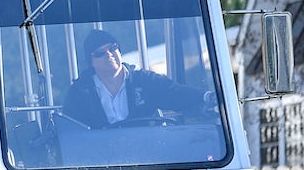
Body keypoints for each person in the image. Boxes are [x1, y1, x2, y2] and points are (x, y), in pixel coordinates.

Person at [63, 29, 212, 128]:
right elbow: (71, 132)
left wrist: (206, 96)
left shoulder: (145, 81)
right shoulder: (78, 94)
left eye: (113, 47)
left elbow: (175, 93)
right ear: (91, 62)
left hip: (148, 159)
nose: (109, 54)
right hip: (102, 166)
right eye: (100, 53)